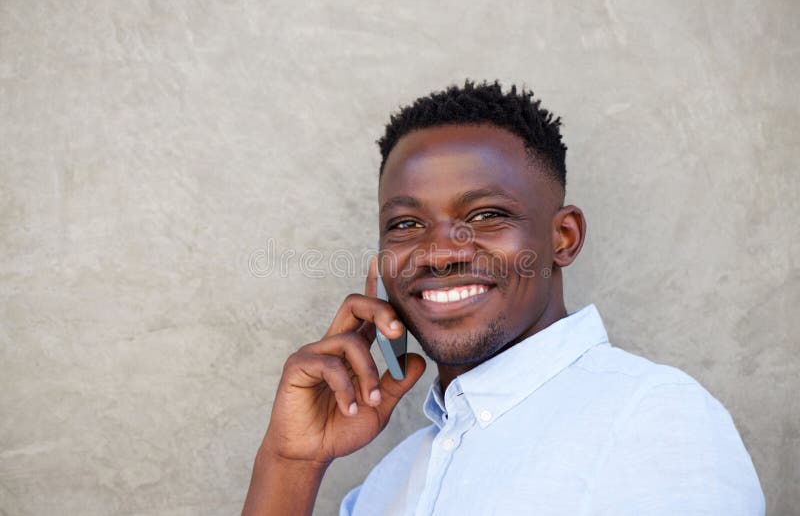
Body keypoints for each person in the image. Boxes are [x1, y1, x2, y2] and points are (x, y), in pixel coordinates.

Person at [242, 81, 765, 515]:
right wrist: (290, 464)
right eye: (405, 224)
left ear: (563, 238)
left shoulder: (652, 418)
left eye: (486, 215)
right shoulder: (388, 485)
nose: (440, 254)